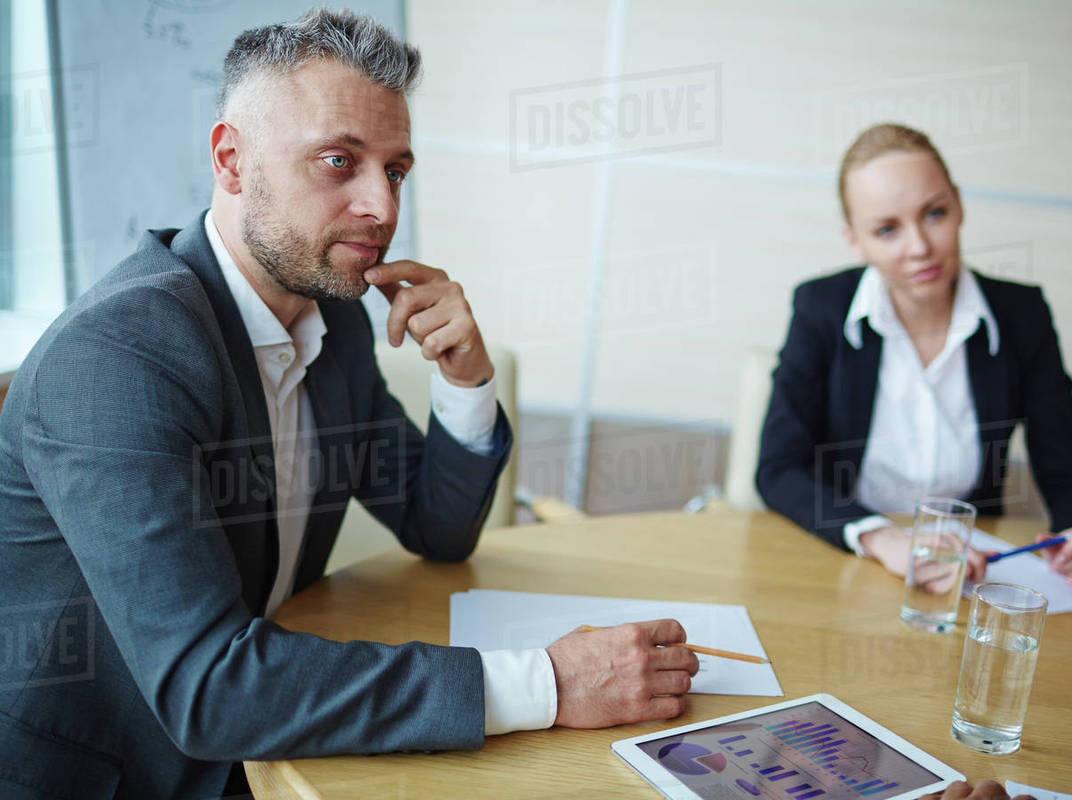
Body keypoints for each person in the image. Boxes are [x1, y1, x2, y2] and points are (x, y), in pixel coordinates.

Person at [0, 10, 696, 798]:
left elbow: (437, 528)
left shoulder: (331, 316)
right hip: (121, 773)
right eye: (339, 161)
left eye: (395, 171)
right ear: (232, 161)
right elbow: (209, 688)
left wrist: (465, 383)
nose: (383, 207)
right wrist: (548, 683)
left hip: (279, 734)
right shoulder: (119, 356)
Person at [756, 123, 1072, 590]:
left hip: (972, 572)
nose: (920, 247)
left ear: (959, 205)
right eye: (887, 230)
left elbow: (1066, 464)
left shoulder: (1021, 315)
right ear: (855, 241)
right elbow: (777, 469)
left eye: (934, 214)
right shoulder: (820, 309)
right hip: (848, 564)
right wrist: (881, 539)